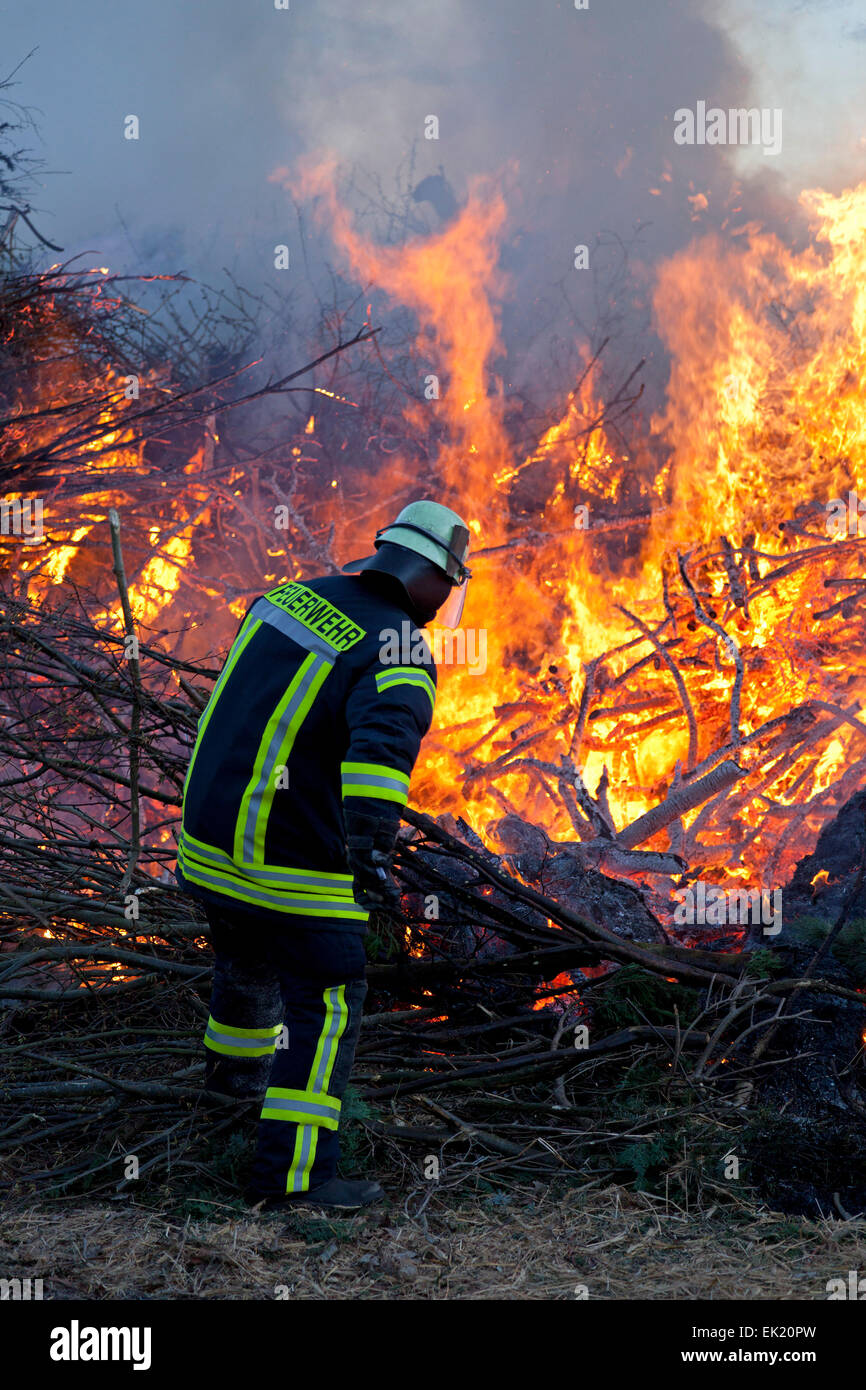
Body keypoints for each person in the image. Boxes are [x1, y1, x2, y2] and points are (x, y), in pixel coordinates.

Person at [175, 499, 472, 1209]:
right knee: (329, 1001)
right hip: (288, 865)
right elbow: (377, 763)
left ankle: (228, 1107)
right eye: (450, 586)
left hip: (210, 845)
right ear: (436, 578)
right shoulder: (400, 647)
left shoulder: (289, 598)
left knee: (245, 969)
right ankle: (295, 1177)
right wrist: (370, 858)